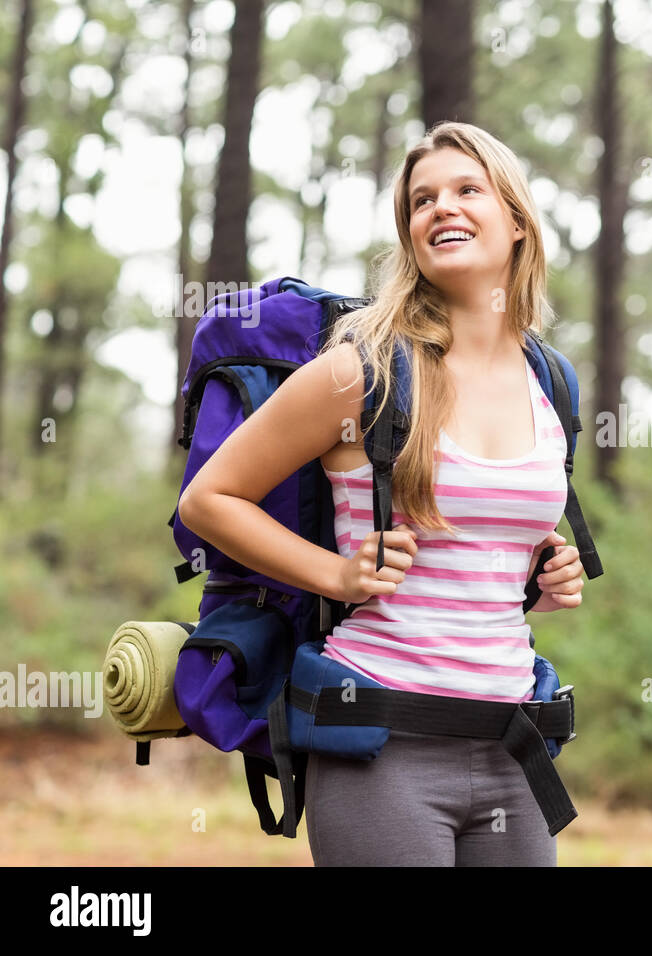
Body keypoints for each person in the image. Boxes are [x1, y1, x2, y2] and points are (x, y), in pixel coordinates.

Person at [178, 122, 586, 866]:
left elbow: (483, 543)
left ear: (519, 221)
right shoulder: (362, 370)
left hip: (514, 745)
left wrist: (545, 571)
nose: (441, 208)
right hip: (380, 744)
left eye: (468, 189)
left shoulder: (551, 381)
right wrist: (335, 573)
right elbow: (210, 501)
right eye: (422, 200)